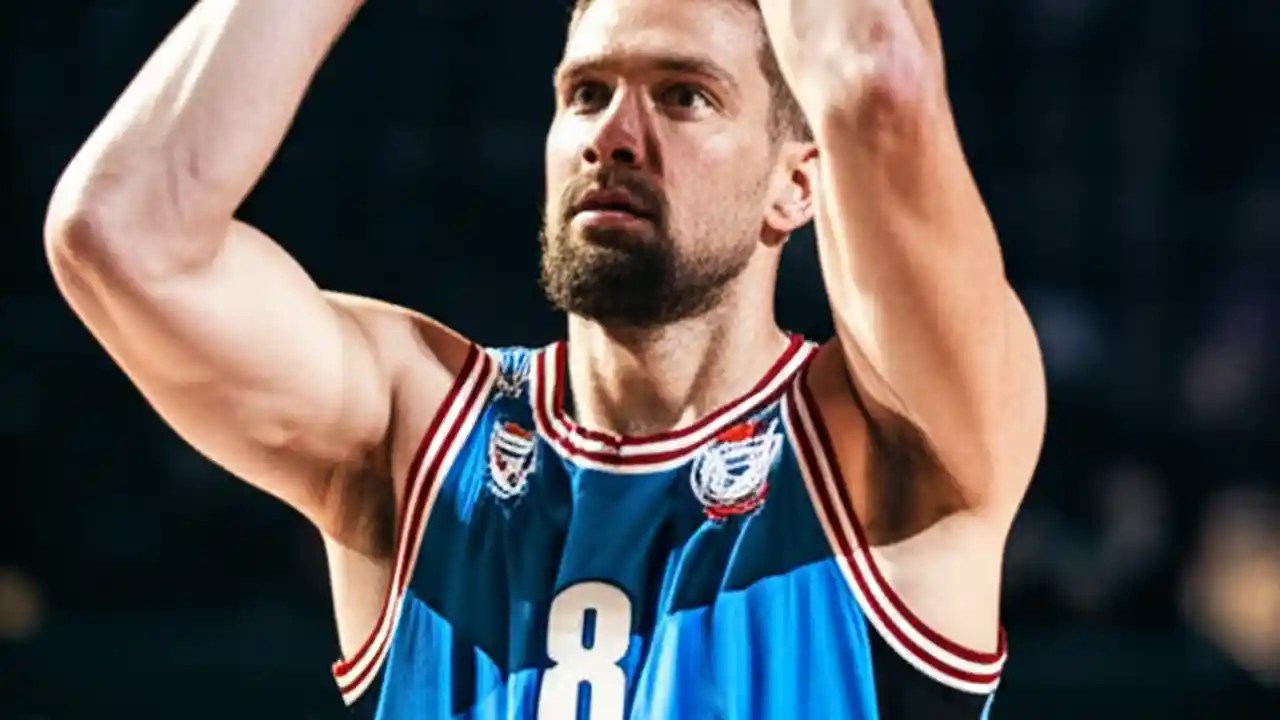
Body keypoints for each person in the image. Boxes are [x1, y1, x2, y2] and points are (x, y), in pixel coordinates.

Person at [43, 0, 1047, 717]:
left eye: (683, 95)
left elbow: (877, 76)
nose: (611, 134)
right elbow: (121, 233)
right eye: (584, 91)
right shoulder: (421, 425)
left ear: (797, 188)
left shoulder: (890, 442)